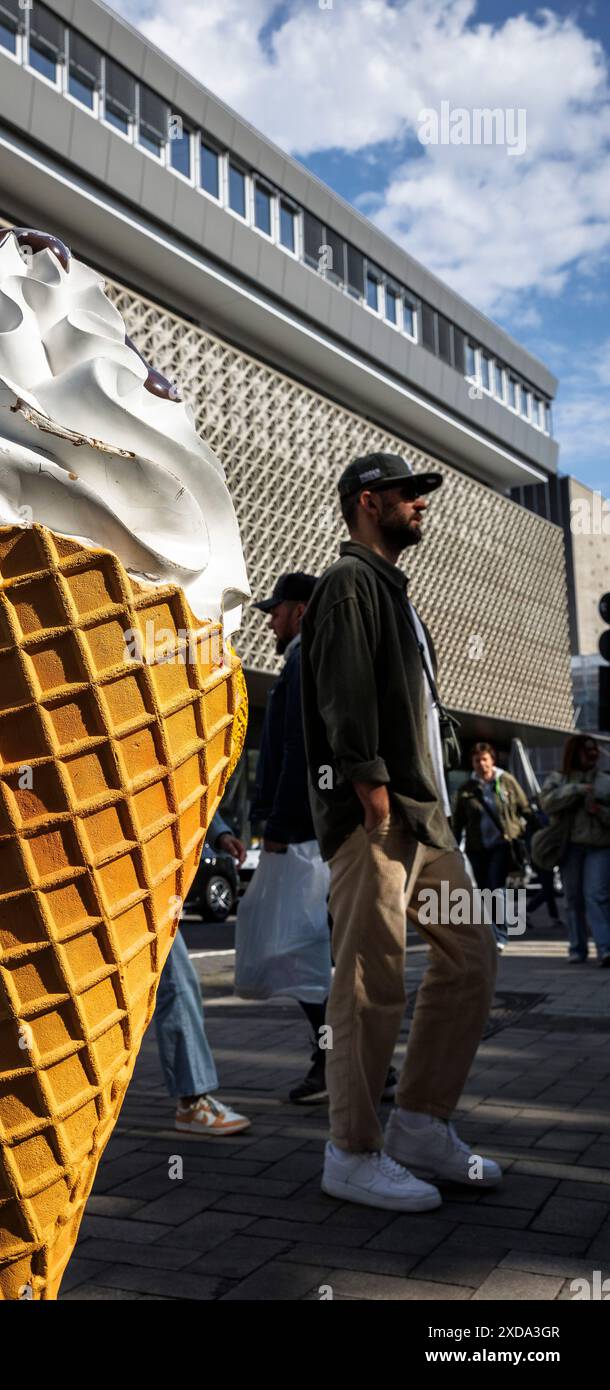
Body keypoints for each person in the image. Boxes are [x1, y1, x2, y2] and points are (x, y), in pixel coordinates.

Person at [302, 451, 499, 1212]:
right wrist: (371, 790)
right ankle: (350, 1151)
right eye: (410, 494)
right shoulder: (349, 582)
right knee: (368, 981)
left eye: (423, 494)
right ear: (367, 501)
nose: (423, 504)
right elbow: (343, 693)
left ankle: (418, 1125)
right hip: (378, 818)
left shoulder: (396, 592)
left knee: (472, 959)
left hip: (426, 820)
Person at [249, 571, 396, 1106]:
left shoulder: (303, 663)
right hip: (316, 830)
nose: (271, 621)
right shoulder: (305, 662)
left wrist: (279, 828)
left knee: (304, 950)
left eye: (277, 610)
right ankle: (345, 1061)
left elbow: (297, 753)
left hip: (308, 835)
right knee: (321, 951)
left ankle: (352, 1063)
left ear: (301, 611)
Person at [155, 809, 251, 1134]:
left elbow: (185, 784)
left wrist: (218, 831)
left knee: (176, 978)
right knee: (175, 982)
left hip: (143, 877)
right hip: (127, 874)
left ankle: (193, 1097)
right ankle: (192, 1100)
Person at [452, 743, 530, 951]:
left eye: (485, 759)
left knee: (497, 888)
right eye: (477, 760)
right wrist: (453, 846)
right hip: (477, 847)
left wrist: (531, 836)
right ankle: (493, 932)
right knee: (486, 890)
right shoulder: (467, 789)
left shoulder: (506, 782)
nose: (481, 764)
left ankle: (500, 936)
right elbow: (458, 821)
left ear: (492, 761)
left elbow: (524, 808)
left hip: (502, 844)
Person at [540, 735, 610, 965]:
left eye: (594, 750)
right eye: (586, 750)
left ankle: (605, 948)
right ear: (574, 752)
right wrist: (577, 790)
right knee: (573, 899)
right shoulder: (558, 779)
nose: (592, 755)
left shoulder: (604, 781)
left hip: (598, 846)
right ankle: (577, 948)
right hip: (570, 848)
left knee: (595, 896)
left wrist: (597, 810)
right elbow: (547, 804)